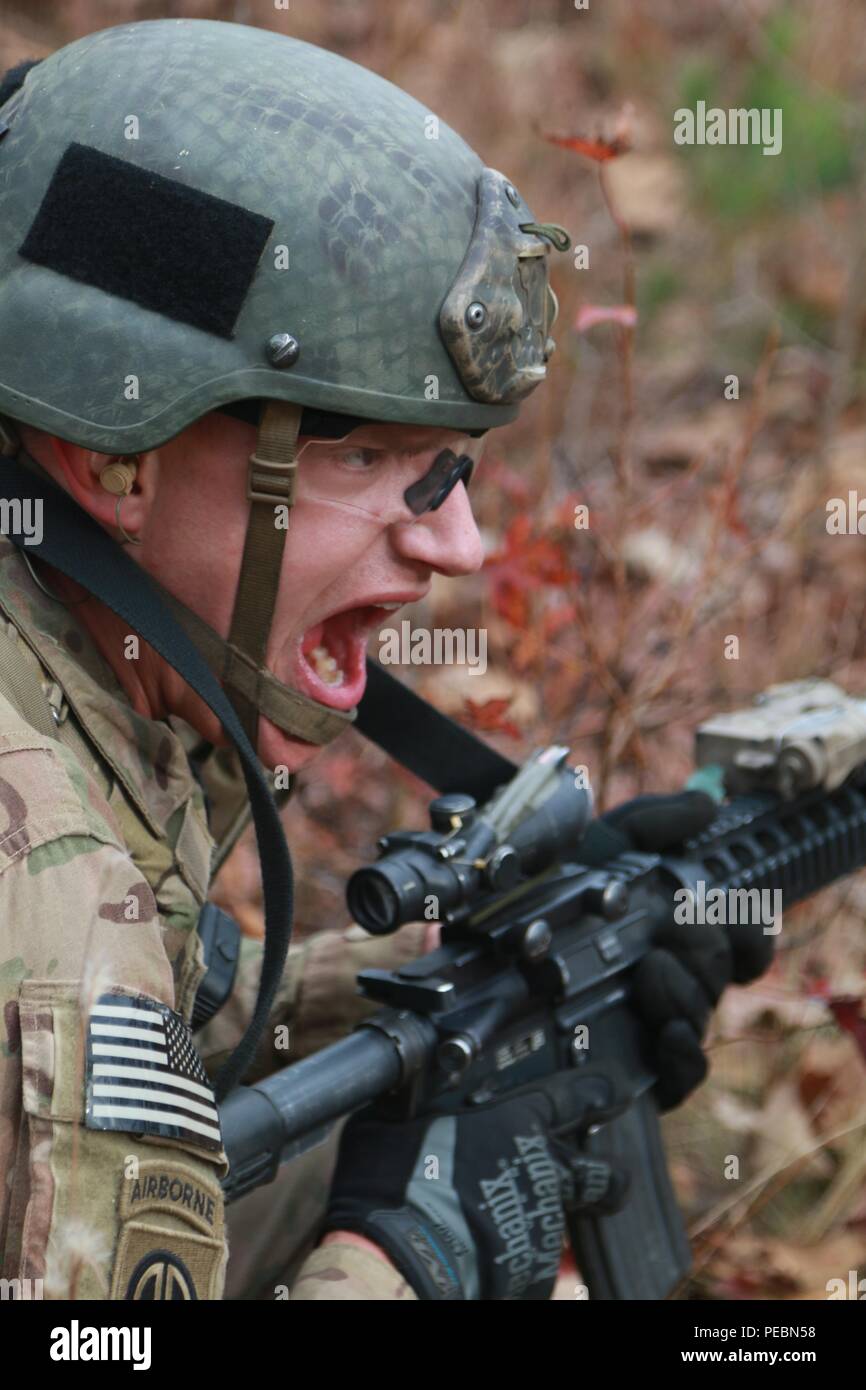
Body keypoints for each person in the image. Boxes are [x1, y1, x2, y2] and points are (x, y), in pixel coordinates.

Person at [0, 18, 771, 1301]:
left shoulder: (69, 650)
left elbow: (157, 1056)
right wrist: (405, 1262)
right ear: (113, 458)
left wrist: (458, 986)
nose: (460, 543)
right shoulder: (52, 894)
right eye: (362, 459)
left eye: (446, 467)